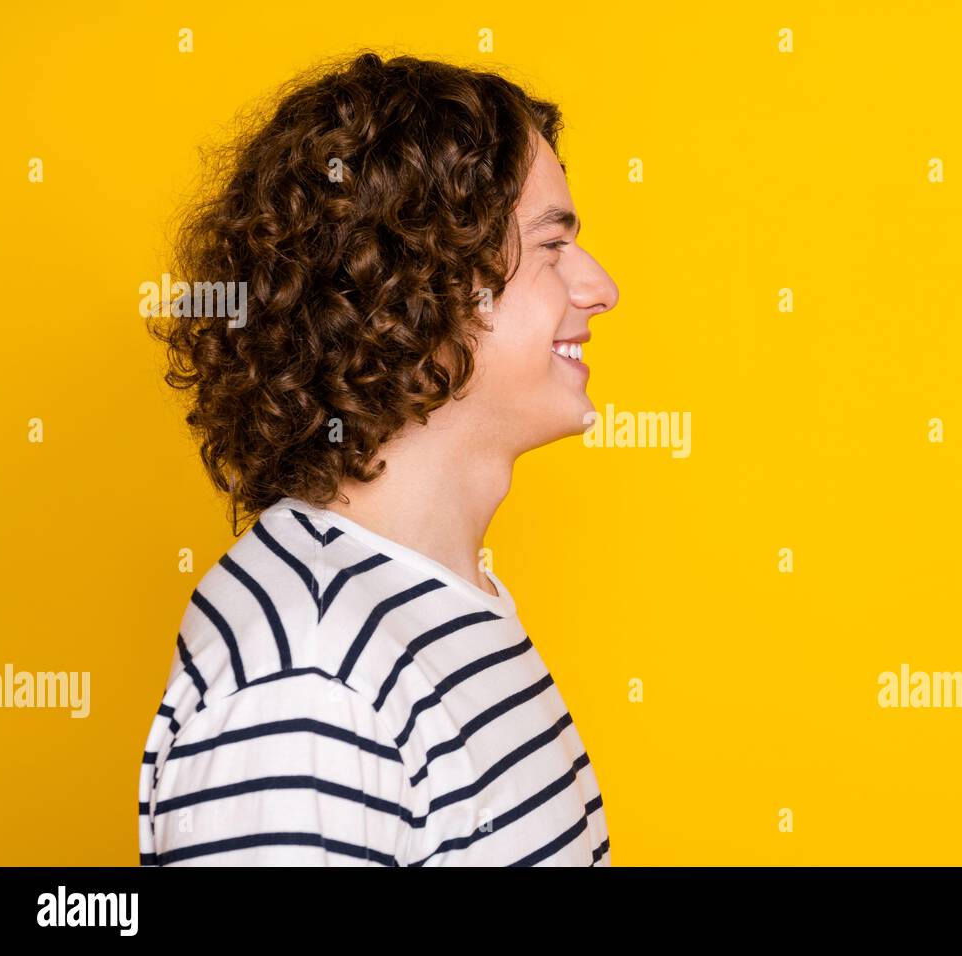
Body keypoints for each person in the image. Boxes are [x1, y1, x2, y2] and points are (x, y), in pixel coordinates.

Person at [138, 51, 619, 866]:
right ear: (415, 289)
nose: (601, 287)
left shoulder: (439, 604)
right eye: (549, 247)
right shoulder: (306, 692)